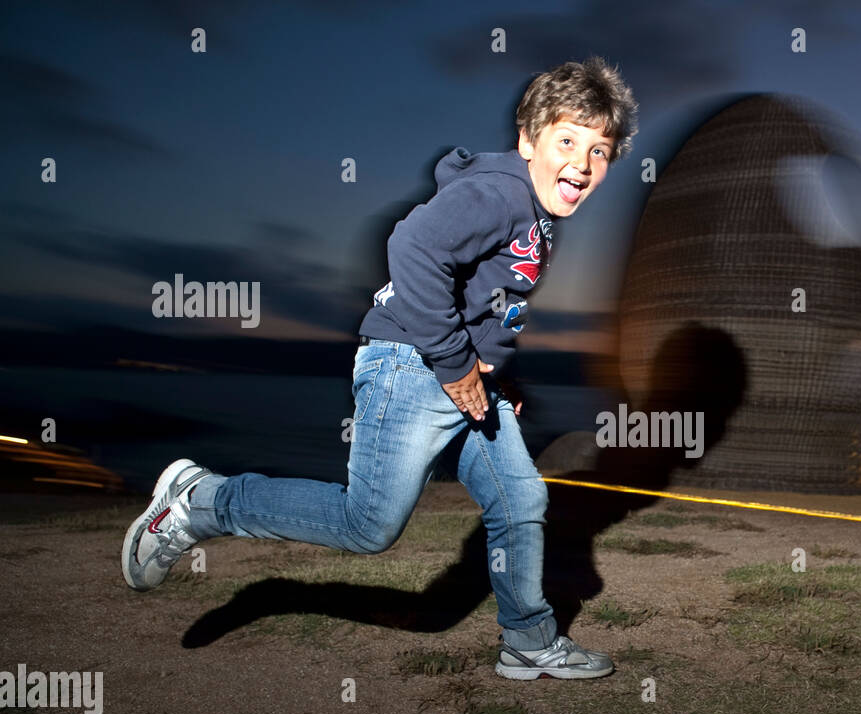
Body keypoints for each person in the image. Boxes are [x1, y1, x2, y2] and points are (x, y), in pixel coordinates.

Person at [121, 57, 638, 680]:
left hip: (466, 380)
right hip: (413, 368)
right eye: (567, 141)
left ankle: (528, 639)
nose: (583, 163)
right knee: (367, 526)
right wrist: (454, 365)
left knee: (520, 497)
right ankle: (200, 501)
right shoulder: (500, 193)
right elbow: (412, 248)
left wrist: (502, 373)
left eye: (600, 151)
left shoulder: (534, 210)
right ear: (527, 140)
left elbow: (488, 304)